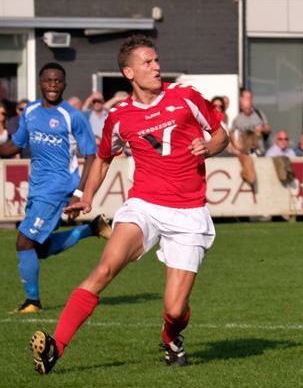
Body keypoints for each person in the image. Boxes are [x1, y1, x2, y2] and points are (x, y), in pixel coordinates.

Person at [28, 35, 229, 375]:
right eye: (148, 62)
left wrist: (209, 147)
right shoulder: (119, 116)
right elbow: (103, 160)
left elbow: (221, 134)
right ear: (129, 72)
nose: (157, 66)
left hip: (188, 211)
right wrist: (86, 196)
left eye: (156, 60)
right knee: (104, 269)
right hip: (144, 205)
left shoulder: (186, 97)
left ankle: (171, 338)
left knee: (176, 309)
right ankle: (55, 347)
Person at [0, 63, 110, 314]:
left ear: (64, 84)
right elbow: (14, 145)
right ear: (40, 83)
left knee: (24, 243)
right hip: (37, 186)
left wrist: (79, 193)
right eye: (48, 81)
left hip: (58, 187)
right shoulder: (30, 111)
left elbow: (91, 155)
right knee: (38, 247)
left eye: (57, 81)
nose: (52, 85)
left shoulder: (73, 116)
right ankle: (91, 229)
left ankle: (32, 302)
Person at [231, 88, 270, 156]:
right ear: (241, 100)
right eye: (246, 97)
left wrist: (263, 129)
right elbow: (231, 133)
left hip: (259, 152)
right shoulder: (237, 119)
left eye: (250, 97)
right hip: (244, 153)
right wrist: (236, 145)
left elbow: (268, 129)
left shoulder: (259, 114)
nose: (249, 100)